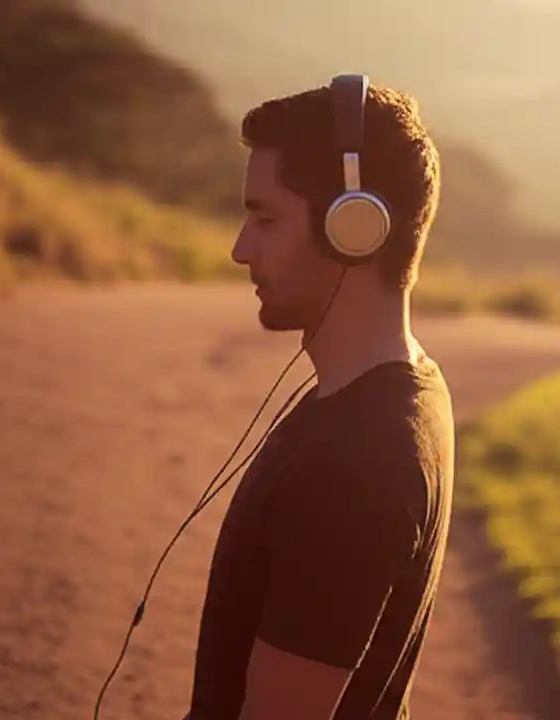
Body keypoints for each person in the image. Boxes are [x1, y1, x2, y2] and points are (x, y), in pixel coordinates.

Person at [185, 78, 455, 719]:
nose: (239, 249)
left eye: (266, 218)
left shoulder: (355, 465)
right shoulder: (410, 388)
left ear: (354, 229)